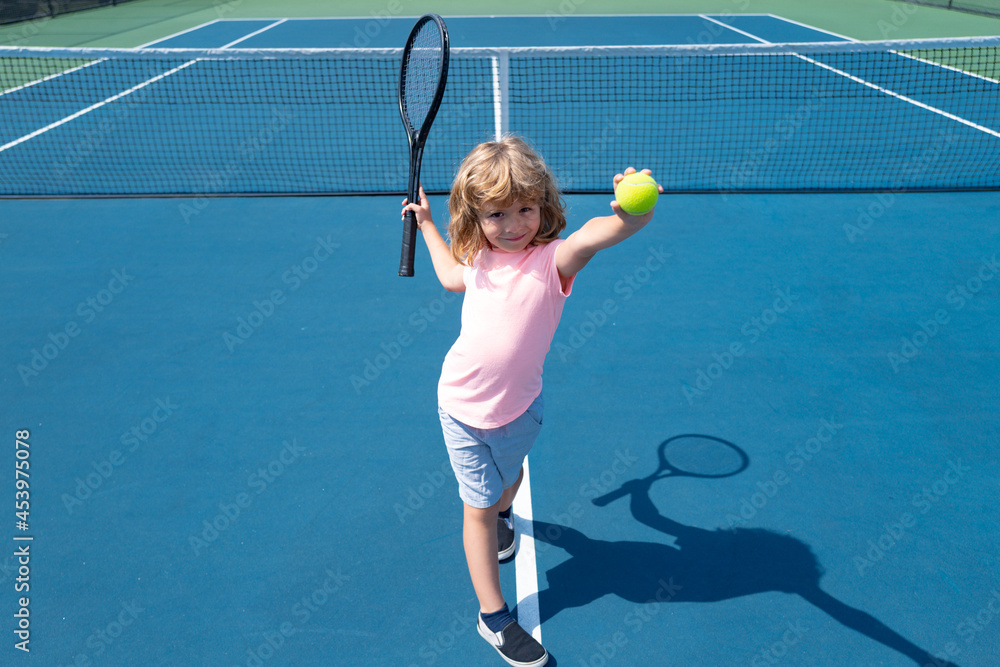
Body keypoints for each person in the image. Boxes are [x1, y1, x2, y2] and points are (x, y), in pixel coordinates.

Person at [401, 136, 662, 667]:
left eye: (525, 208)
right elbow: (452, 277)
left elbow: (594, 236)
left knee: (509, 483)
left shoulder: (552, 262)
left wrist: (633, 216)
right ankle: (493, 617)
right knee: (479, 507)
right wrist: (427, 224)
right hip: (461, 410)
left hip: (520, 411)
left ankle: (503, 514)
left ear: (543, 204)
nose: (514, 223)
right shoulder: (477, 258)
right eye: (497, 213)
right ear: (476, 218)